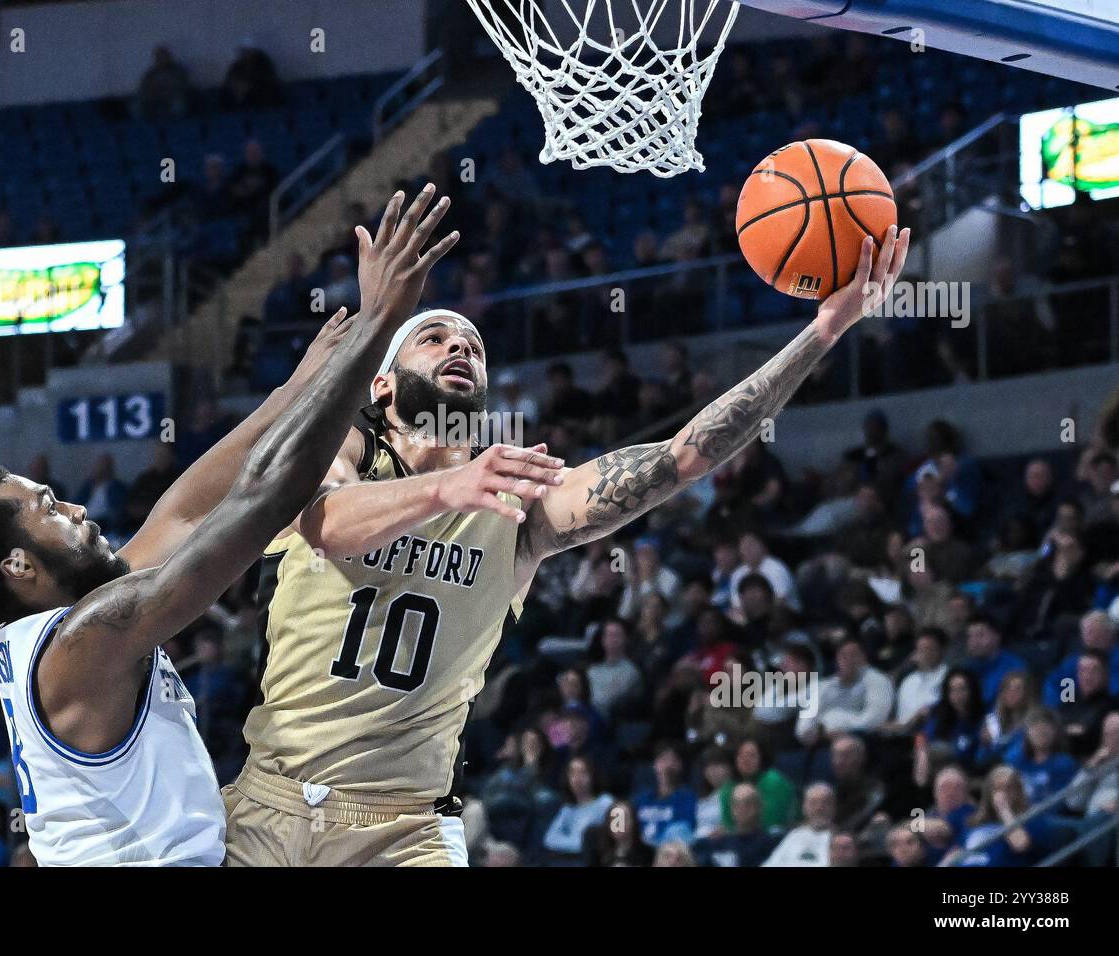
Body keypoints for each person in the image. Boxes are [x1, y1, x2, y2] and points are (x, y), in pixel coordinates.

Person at [222, 225, 911, 866]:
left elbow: (683, 458)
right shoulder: (336, 452)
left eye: (474, 348)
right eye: (434, 337)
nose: (460, 348)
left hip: (405, 826)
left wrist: (823, 331)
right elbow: (327, 524)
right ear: (381, 382)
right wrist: (447, 488)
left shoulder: (515, 508)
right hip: (269, 803)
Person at [0, 190, 460, 866]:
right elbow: (259, 501)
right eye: (50, 507)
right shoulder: (86, 640)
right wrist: (381, 320)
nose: (78, 510)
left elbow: (188, 510)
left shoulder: (69, 630)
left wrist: (294, 386)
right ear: (19, 566)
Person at [762, 782, 836, 866]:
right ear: (804, 807)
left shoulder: (839, 839)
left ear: (833, 806)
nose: (819, 808)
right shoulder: (794, 835)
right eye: (813, 803)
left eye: (825, 803)